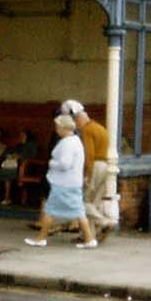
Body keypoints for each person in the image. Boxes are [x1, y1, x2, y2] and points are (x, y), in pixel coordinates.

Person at [25, 114, 97, 248]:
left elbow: (64, 164)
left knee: (50, 210)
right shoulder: (76, 141)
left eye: (58, 127)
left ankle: (41, 238)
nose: (56, 129)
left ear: (64, 128)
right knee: (77, 211)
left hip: (63, 183)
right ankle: (89, 238)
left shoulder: (67, 143)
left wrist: (52, 163)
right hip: (72, 182)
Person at [63, 99, 116, 242]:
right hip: (105, 166)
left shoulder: (87, 130)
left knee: (83, 202)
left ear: (78, 118)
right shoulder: (99, 127)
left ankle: (105, 222)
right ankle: (88, 235)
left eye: (75, 121)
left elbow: (89, 154)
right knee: (94, 202)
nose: (75, 126)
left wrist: (86, 173)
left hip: (96, 166)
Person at [0, 129, 38, 205]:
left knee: (8, 176)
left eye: (23, 136)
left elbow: (32, 156)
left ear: (27, 136)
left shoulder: (32, 145)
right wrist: (9, 155)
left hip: (23, 167)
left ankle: (7, 198)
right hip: (9, 165)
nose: (21, 137)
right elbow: (6, 153)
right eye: (20, 136)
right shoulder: (18, 145)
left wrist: (19, 156)